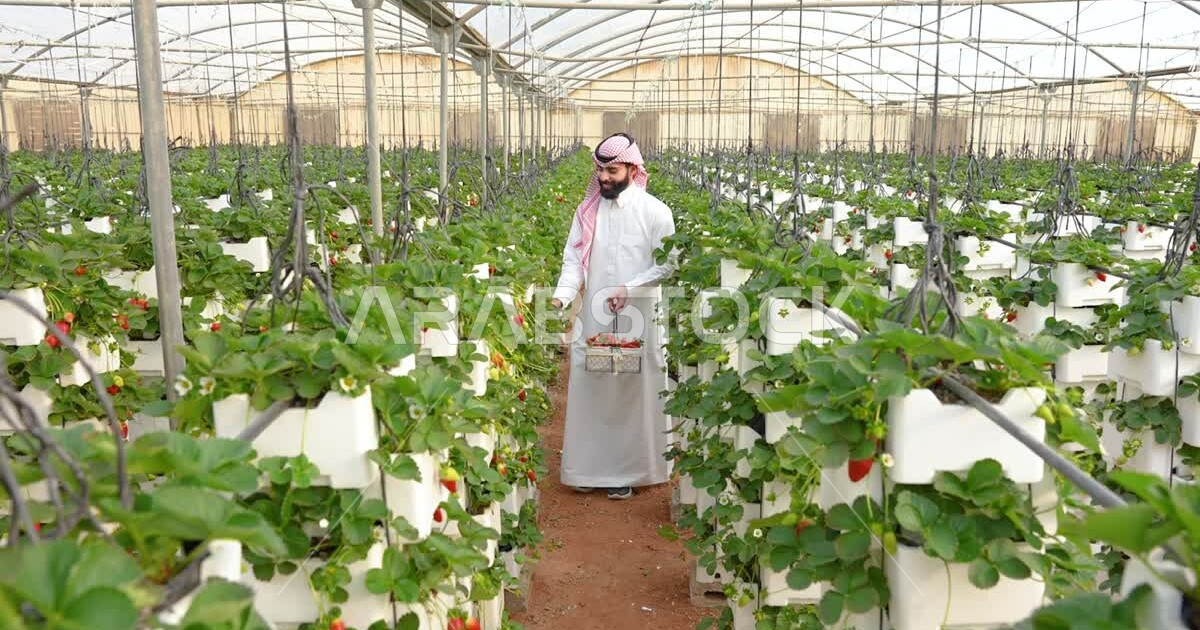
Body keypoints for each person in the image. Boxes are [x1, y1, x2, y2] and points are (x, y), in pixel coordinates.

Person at [550, 133, 677, 500]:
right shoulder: (587, 211)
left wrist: (630, 287)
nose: (604, 177)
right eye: (600, 170)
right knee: (595, 383)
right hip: (596, 318)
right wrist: (561, 297)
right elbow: (573, 260)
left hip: (640, 317)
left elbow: (668, 263)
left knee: (631, 389)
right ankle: (588, 469)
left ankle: (627, 473)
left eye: (612, 170)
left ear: (633, 169)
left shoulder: (655, 212)